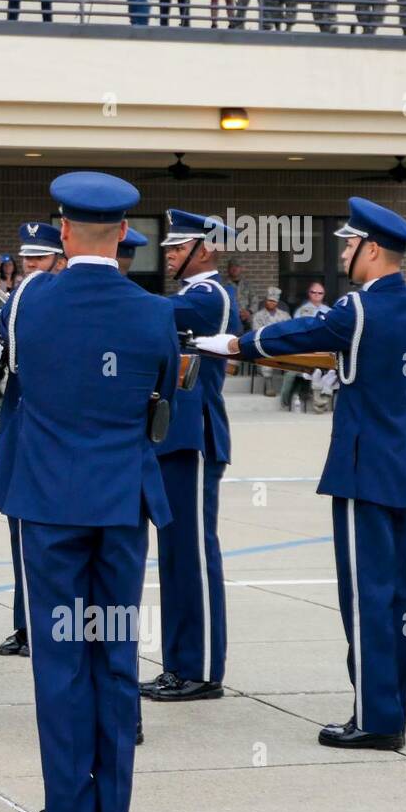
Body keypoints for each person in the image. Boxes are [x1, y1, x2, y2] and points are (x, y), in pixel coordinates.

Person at [0, 172, 180, 812]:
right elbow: (165, 394)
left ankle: (68, 808)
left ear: (61, 232)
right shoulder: (154, 311)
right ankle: (112, 810)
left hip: (51, 500)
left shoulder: (31, 299)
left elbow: (11, 374)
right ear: (124, 236)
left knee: (59, 653)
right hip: (121, 501)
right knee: (115, 648)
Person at [199, 199, 406, 750]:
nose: (345, 254)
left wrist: (235, 345)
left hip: (361, 470)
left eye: (350, 246)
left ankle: (375, 720)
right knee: (396, 597)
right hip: (402, 467)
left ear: (372, 250)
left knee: (365, 598)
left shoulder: (359, 308)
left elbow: (298, 337)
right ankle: (389, 708)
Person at [142, 210, 240, 705]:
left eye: (179, 249)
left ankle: (200, 670)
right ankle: (181, 665)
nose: (171, 256)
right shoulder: (186, 297)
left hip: (194, 436)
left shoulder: (209, 296)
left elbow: (150, 314)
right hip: (174, 437)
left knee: (193, 557)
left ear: (206, 250)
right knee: (177, 557)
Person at [0, 222, 65, 656]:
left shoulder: (57, 303)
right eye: (26, 257)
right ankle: (27, 623)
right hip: (17, 430)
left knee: (54, 541)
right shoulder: (17, 304)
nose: (30, 265)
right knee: (20, 535)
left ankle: (50, 626)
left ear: (59, 261)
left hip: (53, 436)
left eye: (40, 258)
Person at [279, 282, 332, 410]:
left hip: (324, 349)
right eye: (314, 292)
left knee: (325, 372)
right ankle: (288, 399)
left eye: (320, 293)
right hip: (305, 348)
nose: (317, 295)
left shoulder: (329, 311)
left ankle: (320, 401)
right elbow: (295, 330)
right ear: (309, 294)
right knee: (295, 373)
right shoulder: (301, 311)